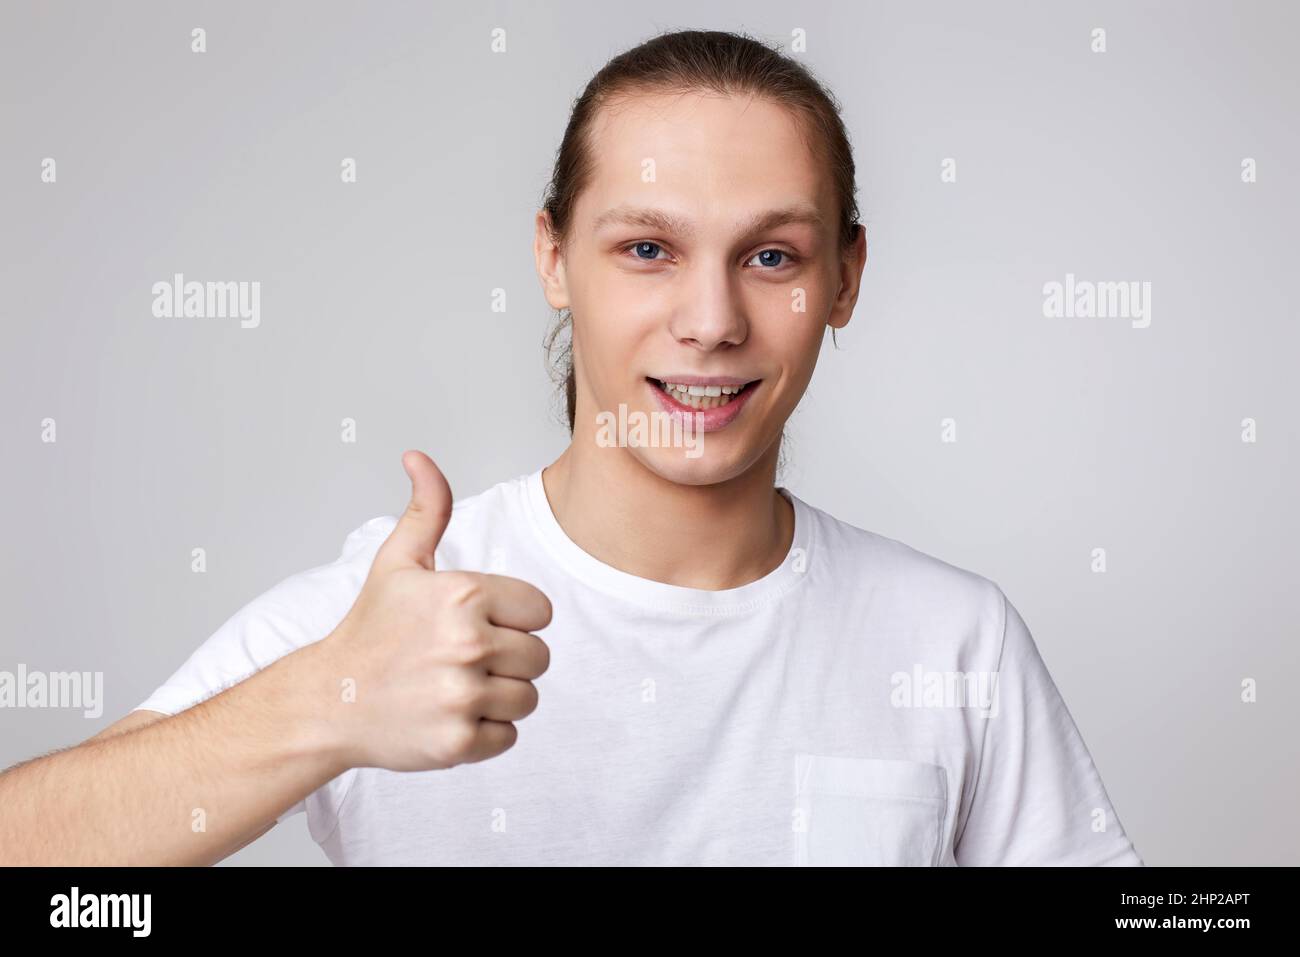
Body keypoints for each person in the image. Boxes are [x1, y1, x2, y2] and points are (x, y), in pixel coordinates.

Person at [0, 29, 1142, 866]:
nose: (710, 321)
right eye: (646, 249)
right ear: (553, 258)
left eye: (773, 257)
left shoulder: (950, 640)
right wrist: (328, 700)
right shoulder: (388, 617)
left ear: (845, 278)